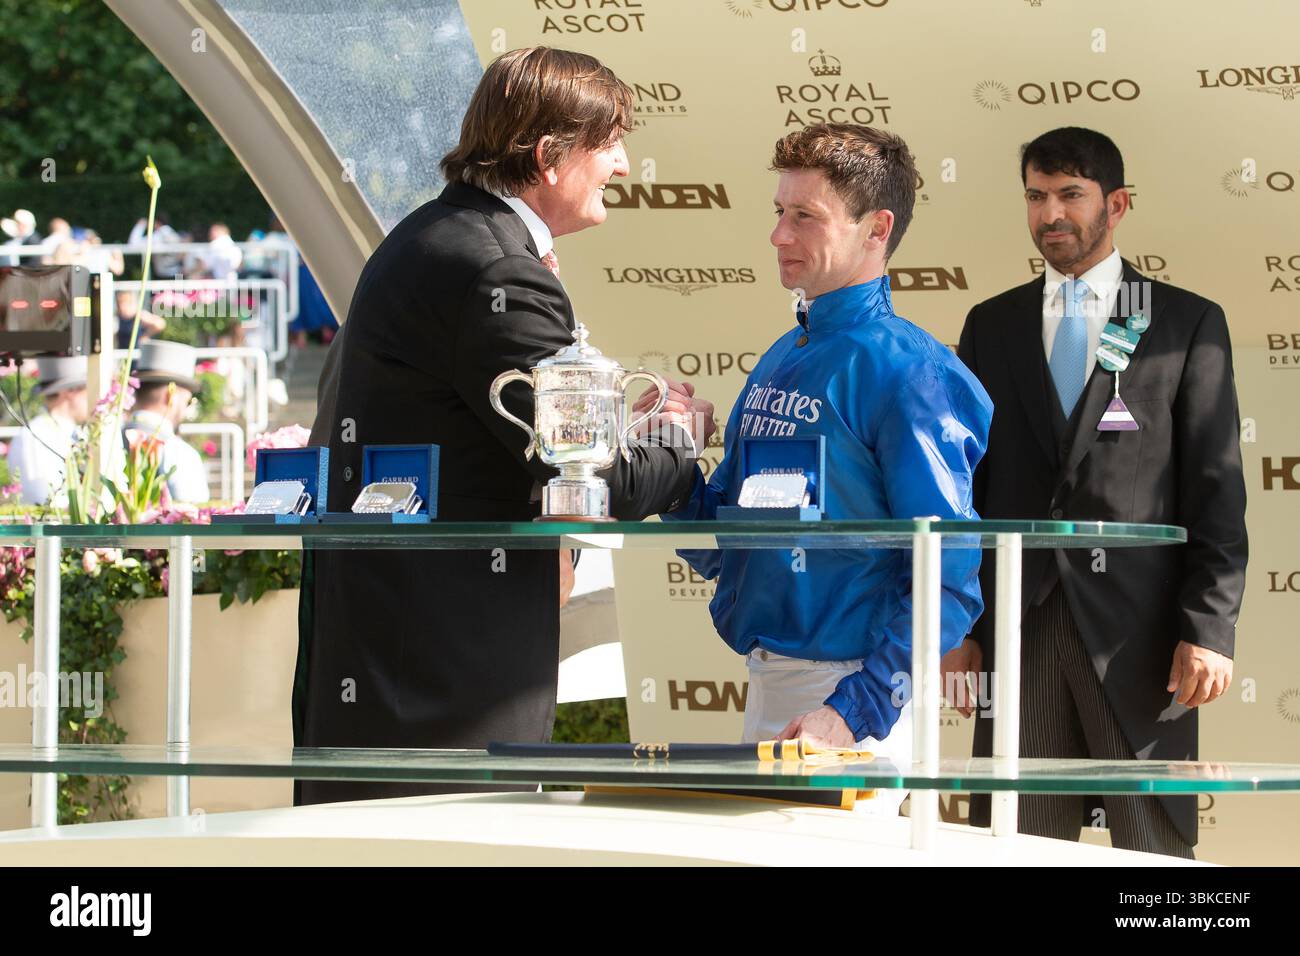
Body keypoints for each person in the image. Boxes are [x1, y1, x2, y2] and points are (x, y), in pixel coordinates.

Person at [295, 47, 707, 807]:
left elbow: (497, 437)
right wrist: (679, 437)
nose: (623, 164)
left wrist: (614, 425)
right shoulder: (498, 270)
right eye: (610, 141)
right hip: (442, 686)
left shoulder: (439, 235)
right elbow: (593, 480)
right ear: (550, 156)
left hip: (396, 665)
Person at [654, 123, 993, 817]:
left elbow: (948, 574)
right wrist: (667, 459)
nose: (779, 235)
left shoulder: (911, 372)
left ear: (878, 228)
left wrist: (856, 711)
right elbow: (721, 543)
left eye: (804, 216)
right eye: (779, 212)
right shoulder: (786, 352)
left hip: (850, 704)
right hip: (771, 687)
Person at [946, 127, 1247, 857]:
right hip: (1021, 629)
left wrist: (1209, 628)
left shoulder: (1183, 320)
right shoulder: (992, 324)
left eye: (1070, 195)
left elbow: (1216, 487)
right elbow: (965, 490)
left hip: (1143, 638)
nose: (1052, 214)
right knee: (1014, 843)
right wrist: (959, 628)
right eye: (1037, 196)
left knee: (1154, 852)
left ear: (1117, 204)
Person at [124, 340, 210, 503]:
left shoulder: (105, 444)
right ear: (171, 396)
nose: (186, 411)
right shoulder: (181, 454)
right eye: (188, 402)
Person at [7, 356, 89, 506]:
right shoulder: (35, 435)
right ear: (71, 392)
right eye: (87, 390)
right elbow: (42, 499)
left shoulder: (59, 430)